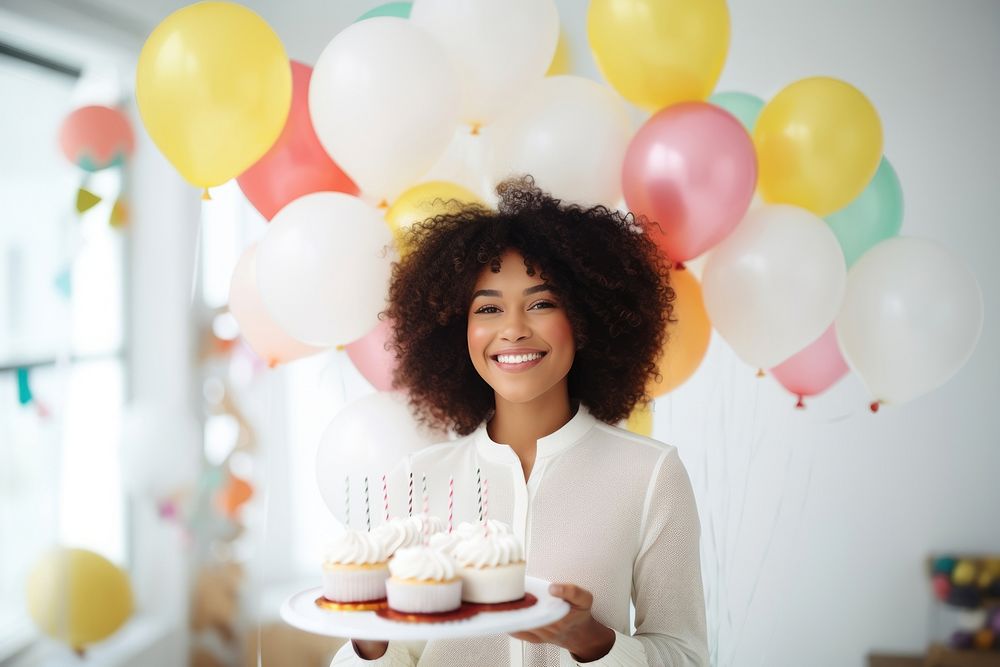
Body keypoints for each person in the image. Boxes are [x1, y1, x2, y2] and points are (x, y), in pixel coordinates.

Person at [332, 177, 708, 666]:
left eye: (541, 303)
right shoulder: (416, 479)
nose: (512, 329)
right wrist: (368, 641)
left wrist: (593, 642)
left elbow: (687, 656)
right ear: (456, 329)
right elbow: (388, 649)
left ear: (584, 317)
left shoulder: (651, 475)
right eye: (488, 307)